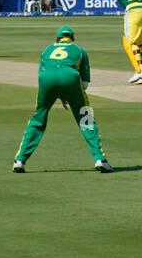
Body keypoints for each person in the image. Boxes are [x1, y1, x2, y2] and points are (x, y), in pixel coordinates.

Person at [12, 26, 112, 173]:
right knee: (85, 118)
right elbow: (84, 84)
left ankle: (19, 161)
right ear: (72, 38)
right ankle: (100, 159)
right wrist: (69, 94)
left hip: (46, 79)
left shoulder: (47, 49)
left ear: (57, 38)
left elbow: (42, 76)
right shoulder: (79, 50)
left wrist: (58, 93)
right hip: (70, 77)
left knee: (38, 118)